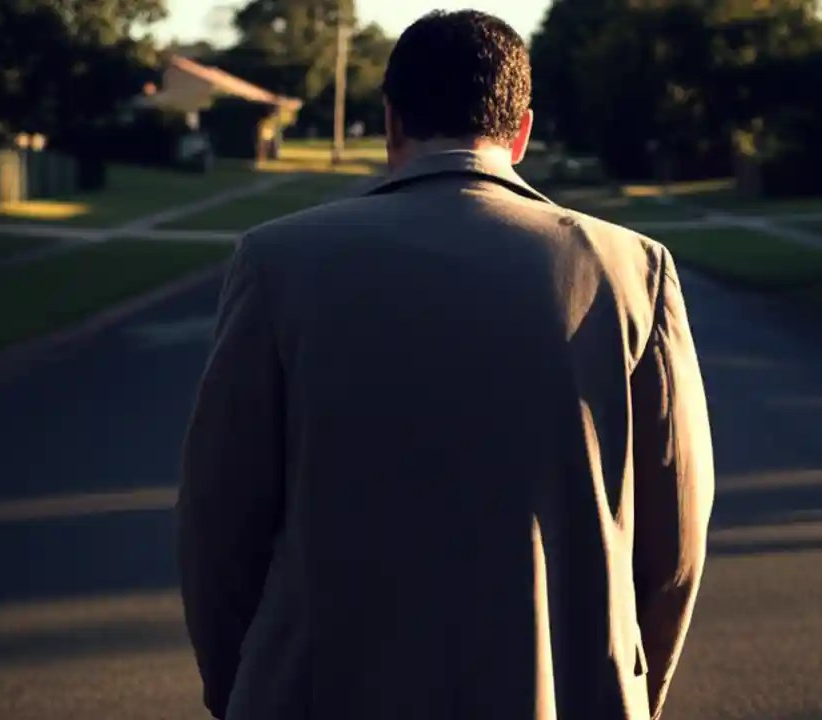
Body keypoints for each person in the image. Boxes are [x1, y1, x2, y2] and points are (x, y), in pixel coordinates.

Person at [177, 10, 714, 720]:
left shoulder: (276, 262)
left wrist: (244, 687)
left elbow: (217, 522)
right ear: (521, 131)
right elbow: (676, 541)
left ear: (391, 121)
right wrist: (630, 689)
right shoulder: (630, 272)